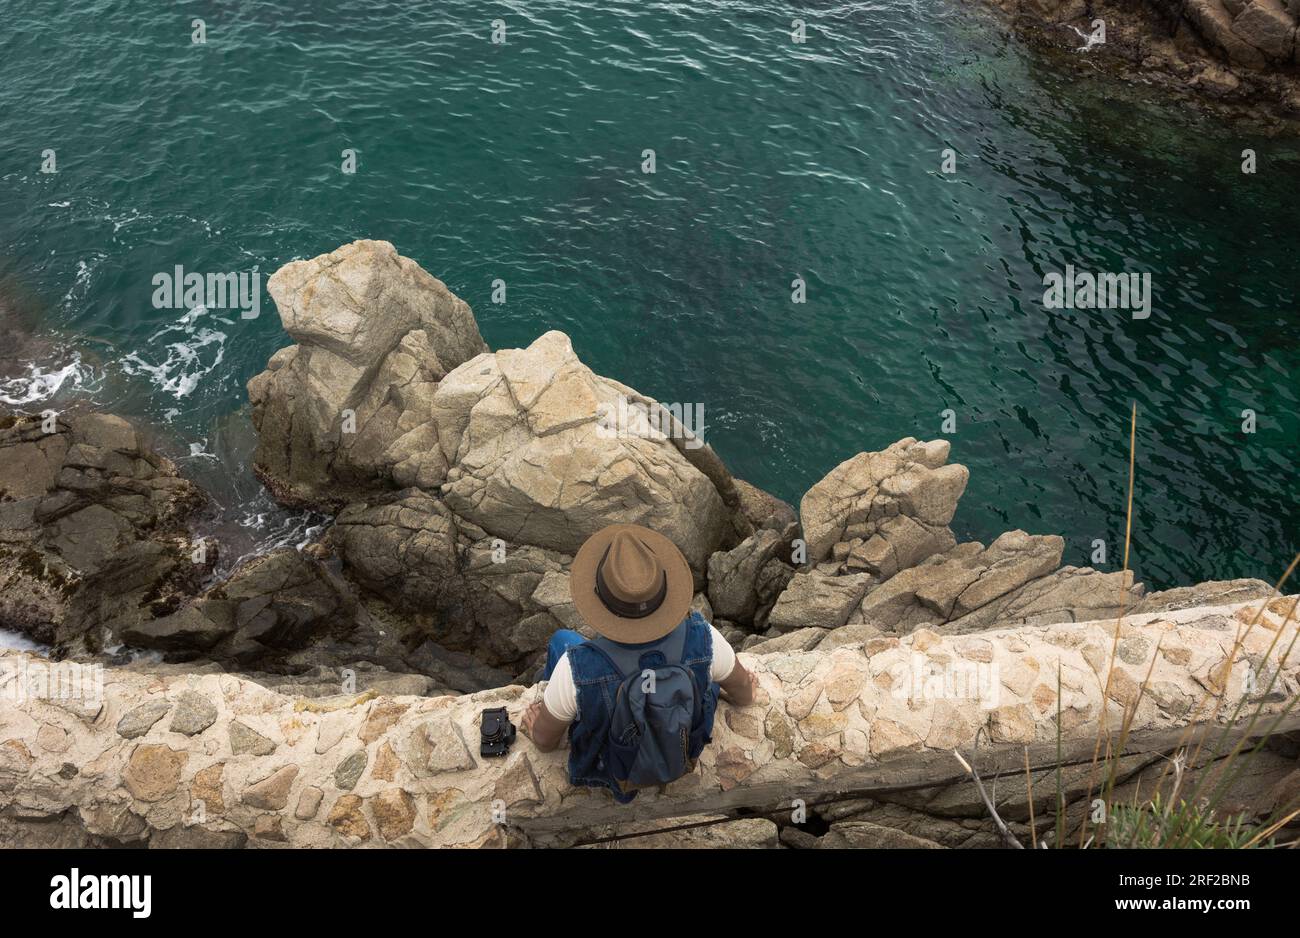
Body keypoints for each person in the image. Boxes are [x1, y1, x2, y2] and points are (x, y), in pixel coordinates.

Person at [520, 523, 758, 802]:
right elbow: (743, 694)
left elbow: (546, 743)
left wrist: (537, 727)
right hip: (684, 755)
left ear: (600, 600)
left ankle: (543, 688)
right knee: (710, 686)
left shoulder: (575, 667)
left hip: (609, 771)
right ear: (665, 592)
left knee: (562, 639)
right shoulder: (705, 638)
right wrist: (738, 690)